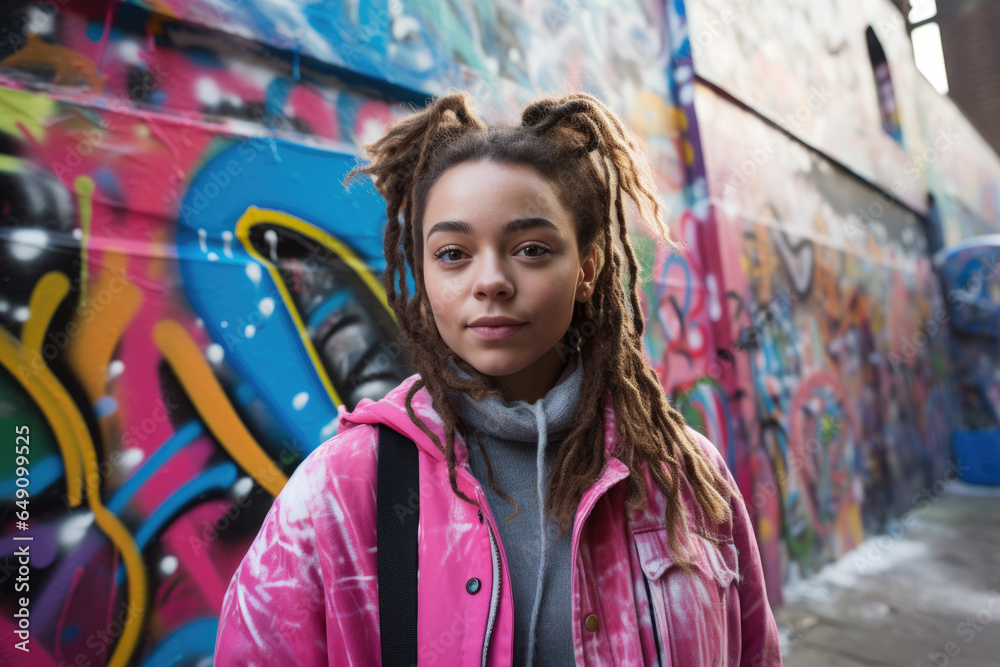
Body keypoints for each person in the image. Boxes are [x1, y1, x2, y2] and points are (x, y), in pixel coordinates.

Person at [214, 91, 781, 666]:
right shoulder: (341, 489)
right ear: (425, 276)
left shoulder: (685, 475)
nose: (491, 281)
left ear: (587, 270)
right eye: (454, 253)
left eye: (530, 249)